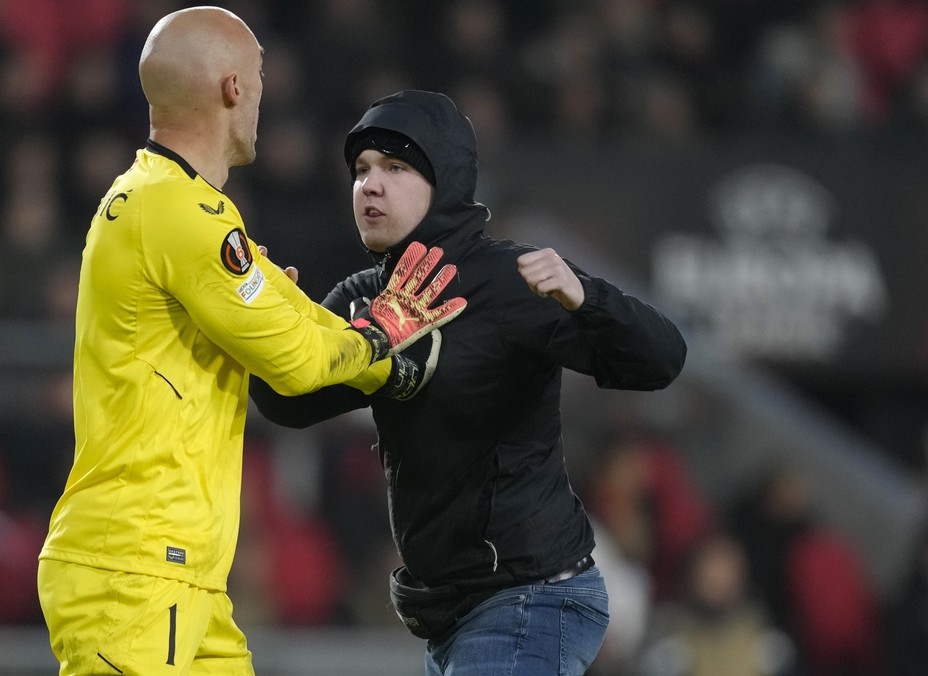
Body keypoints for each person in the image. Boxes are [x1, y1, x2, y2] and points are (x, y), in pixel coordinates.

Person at [35, 9, 467, 676]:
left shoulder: (165, 205)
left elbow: (297, 324)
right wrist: (385, 335)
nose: (265, 95)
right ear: (233, 87)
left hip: (179, 575)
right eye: (260, 77)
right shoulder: (186, 217)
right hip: (137, 570)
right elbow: (295, 361)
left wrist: (371, 350)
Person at [250, 89, 687, 675]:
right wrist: (269, 318)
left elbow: (661, 360)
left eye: (396, 167)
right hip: (454, 615)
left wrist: (590, 298)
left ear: (447, 179)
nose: (370, 185)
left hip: (534, 595)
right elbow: (287, 402)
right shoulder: (363, 298)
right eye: (361, 170)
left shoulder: (511, 281)